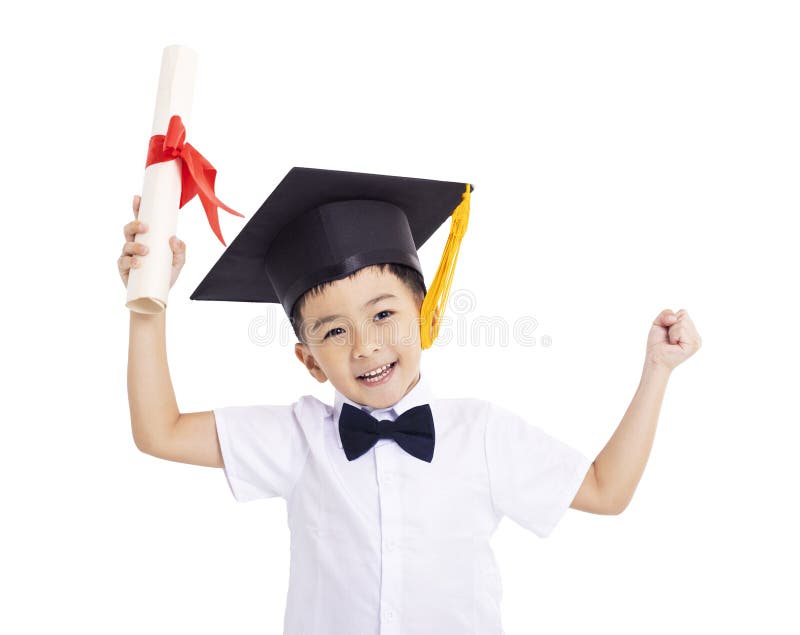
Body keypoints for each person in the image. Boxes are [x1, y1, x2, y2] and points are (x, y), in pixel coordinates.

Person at [120, 167, 702, 634]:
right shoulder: (298, 439)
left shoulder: (481, 433)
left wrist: (657, 371)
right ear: (309, 361)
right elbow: (160, 431)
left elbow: (606, 490)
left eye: (383, 314)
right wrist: (149, 305)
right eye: (333, 331)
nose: (366, 346)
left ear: (424, 316)